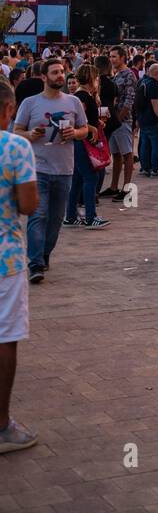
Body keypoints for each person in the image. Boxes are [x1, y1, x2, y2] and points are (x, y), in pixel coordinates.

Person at [14, 58, 89, 282]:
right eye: (54, 72)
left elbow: (85, 129)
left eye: (61, 72)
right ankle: (35, 263)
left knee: (56, 218)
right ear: (44, 77)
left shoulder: (74, 102)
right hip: (38, 168)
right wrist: (30, 135)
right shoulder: (30, 103)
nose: (59, 76)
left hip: (64, 169)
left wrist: (74, 134)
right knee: (38, 215)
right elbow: (16, 130)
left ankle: (44, 254)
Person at [0, 78, 39, 451]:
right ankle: (1, 425)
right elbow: (28, 205)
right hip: (5, 257)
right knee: (5, 337)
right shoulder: (15, 147)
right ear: (9, 109)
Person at [62, 64, 110, 230]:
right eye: (96, 78)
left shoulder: (82, 95)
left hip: (80, 141)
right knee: (90, 178)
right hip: (82, 142)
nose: (98, 81)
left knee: (77, 179)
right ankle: (90, 217)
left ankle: (71, 216)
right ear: (91, 78)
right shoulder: (82, 96)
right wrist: (92, 127)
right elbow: (75, 118)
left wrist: (95, 123)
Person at [107, 46, 137, 202]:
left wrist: (119, 119)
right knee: (116, 154)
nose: (111, 59)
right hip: (114, 120)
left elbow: (129, 101)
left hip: (122, 120)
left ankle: (127, 189)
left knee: (127, 154)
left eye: (114, 57)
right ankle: (113, 187)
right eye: (110, 57)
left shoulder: (129, 75)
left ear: (123, 57)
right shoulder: (115, 74)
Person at [136, 62, 158, 177]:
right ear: (157, 73)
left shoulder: (143, 82)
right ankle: (155, 169)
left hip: (143, 119)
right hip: (153, 120)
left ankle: (145, 168)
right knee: (156, 145)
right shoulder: (154, 85)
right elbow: (155, 104)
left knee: (145, 144)